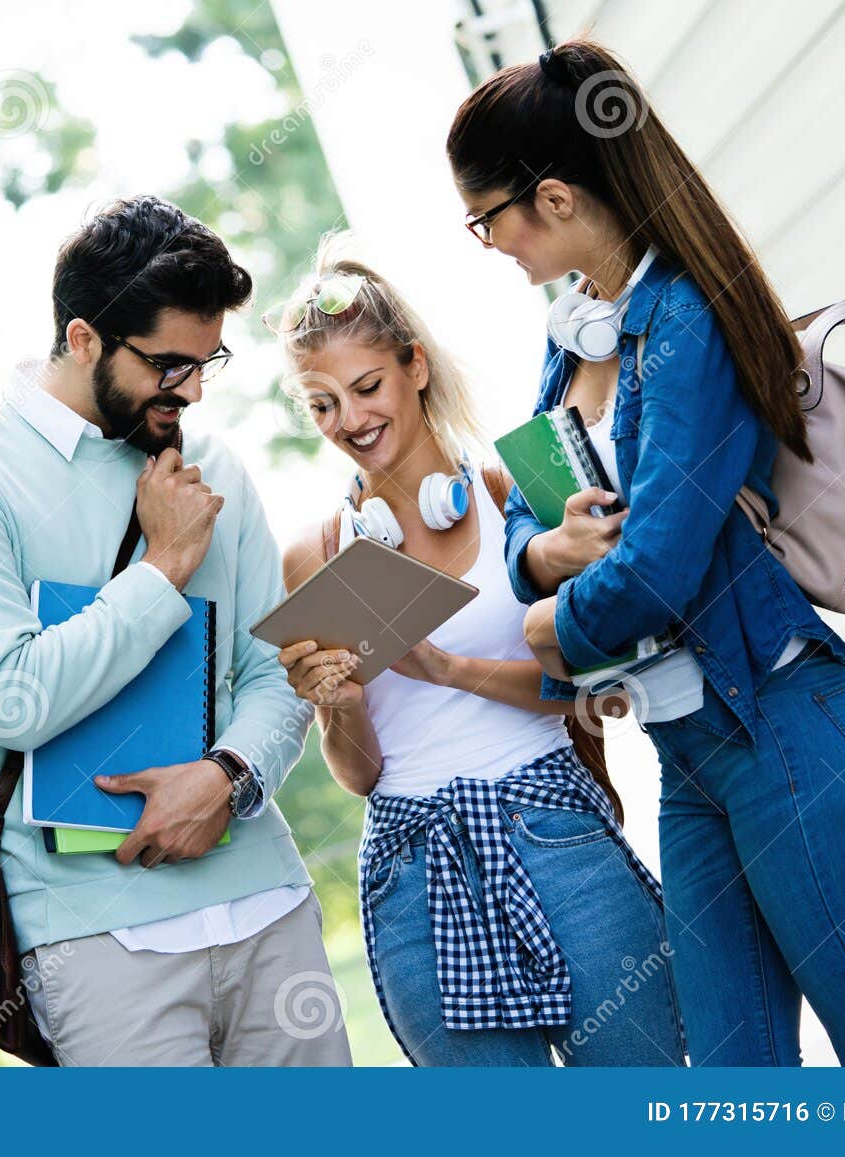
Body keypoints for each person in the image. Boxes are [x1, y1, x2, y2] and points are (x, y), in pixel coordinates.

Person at [447, 38, 845, 1066]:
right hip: (688, 755)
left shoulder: (685, 319)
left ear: (549, 197)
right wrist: (538, 559)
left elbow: (662, 563)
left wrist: (555, 627)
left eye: (483, 218)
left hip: (780, 728)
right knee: (734, 1087)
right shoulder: (575, 332)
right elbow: (527, 493)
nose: (484, 241)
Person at [0, 195, 350, 1066]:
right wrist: (164, 567)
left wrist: (228, 774)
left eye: (207, 360)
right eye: (168, 364)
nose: (192, 389)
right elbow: (14, 699)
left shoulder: (213, 466)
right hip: (92, 942)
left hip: (268, 907)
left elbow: (272, 673)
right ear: (82, 339)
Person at [272, 234, 682, 1066]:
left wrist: (450, 669)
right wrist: (340, 705)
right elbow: (357, 775)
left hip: (554, 828)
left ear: (414, 365)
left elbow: (594, 689)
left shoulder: (516, 490)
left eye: (366, 386)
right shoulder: (315, 554)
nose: (350, 421)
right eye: (322, 406)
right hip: (412, 868)